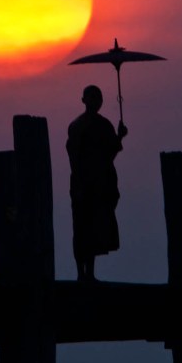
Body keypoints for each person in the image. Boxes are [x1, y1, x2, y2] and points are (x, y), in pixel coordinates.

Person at [67, 85, 127, 283]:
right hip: (83, 184)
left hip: (101, 184)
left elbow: (109, 155)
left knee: (93, 228)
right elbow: (74, 158)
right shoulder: (76, 126)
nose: (95, 101)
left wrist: (119, 136)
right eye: (91, 97)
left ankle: (90, 273)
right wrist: (80, 185)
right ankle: (80, 273)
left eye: (98, 97)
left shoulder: (105, 125)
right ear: (83, 100)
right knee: (81, 228)